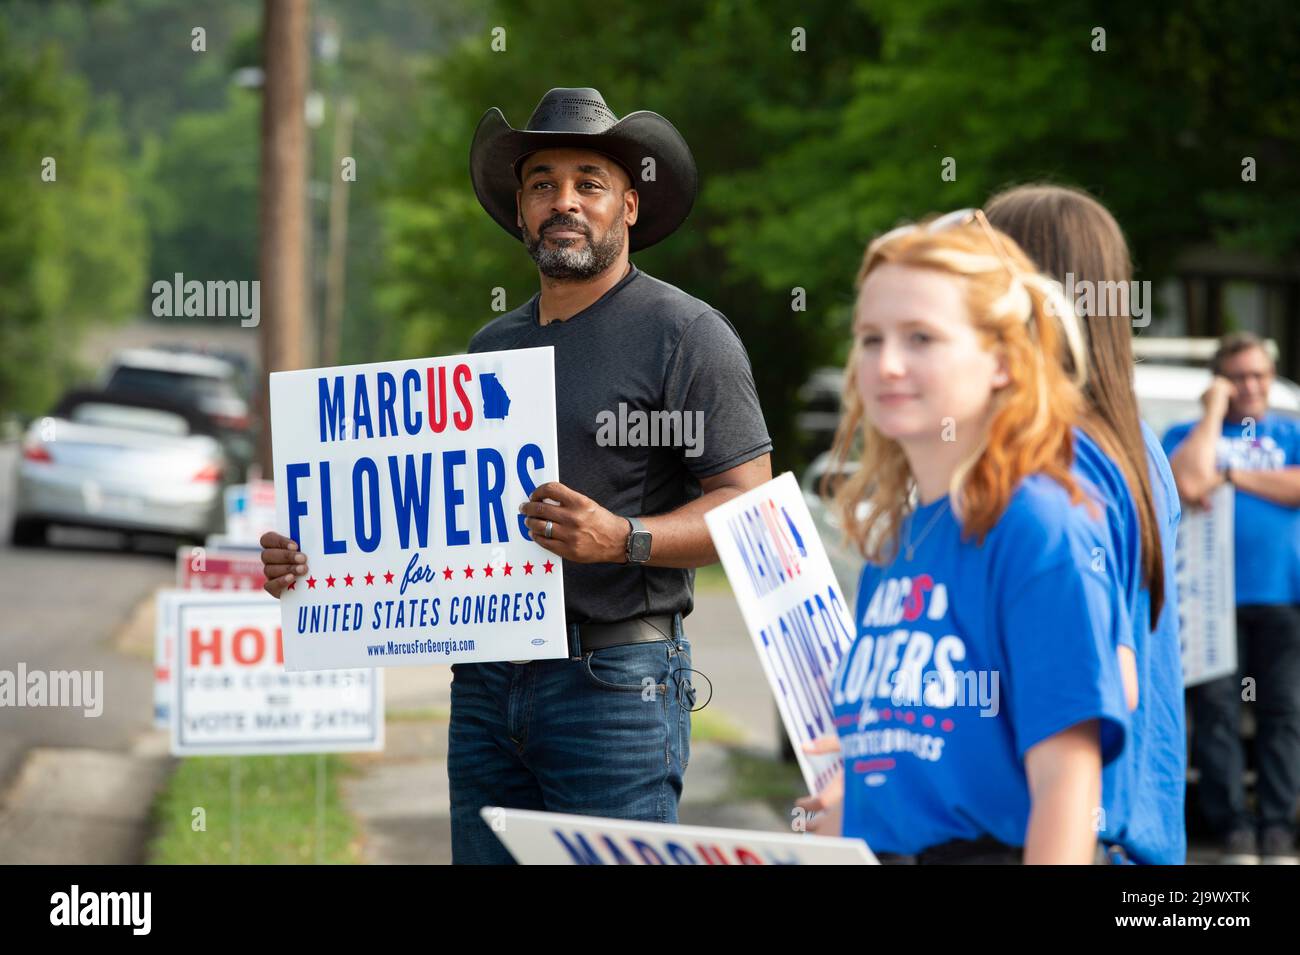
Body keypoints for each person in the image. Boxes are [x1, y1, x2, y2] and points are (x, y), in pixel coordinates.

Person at [260, 88, 773, 864]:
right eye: (542, 184)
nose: (564, 201)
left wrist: (622, 538)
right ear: (523, 210)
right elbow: (427, 519)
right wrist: (317, 566)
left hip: (614, 683)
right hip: (485, 685)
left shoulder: (686, 335)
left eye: (588, 183)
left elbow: (751, 507)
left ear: (630, 206)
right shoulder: (489, 350)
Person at [804, 213, 1130, 863]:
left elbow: (1067, 787)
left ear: (1003, 361)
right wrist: (856, 809)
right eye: (870, 338)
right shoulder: (898, 539)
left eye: (921, 337)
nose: (887, 364)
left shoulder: (1038, 526)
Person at [986, 183, 1186, 865]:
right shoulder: (1130, 441)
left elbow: (1087, 679)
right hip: (1121, 825)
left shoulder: (1064, 453)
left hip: (1076, 832)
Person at [1164, 331, 1300, 864]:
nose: (1251, 386)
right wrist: (1213, 412)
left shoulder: (1288, 432)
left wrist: (1231, 475)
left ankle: (1277, 829)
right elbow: (1187, 483)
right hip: (1208, 602)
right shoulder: (1187, 433)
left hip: (1281, 598)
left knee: (1281, 712)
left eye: (1259, 375)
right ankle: (1233, 831)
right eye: (1238, 377)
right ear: (1219, 381)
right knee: (1216, 714)